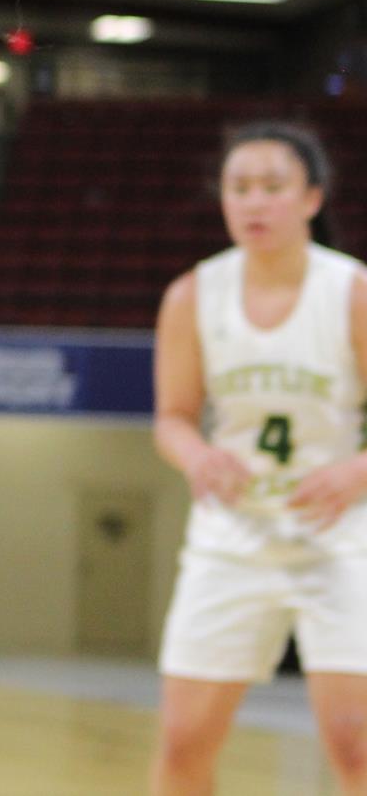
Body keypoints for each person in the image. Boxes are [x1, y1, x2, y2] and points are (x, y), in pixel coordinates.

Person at [151, 122, 367, 796]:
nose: (253, 202)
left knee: (354, 738)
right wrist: (196, 456)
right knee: (184, 740)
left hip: (338, 536)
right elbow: (173, 417)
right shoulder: (193, 294)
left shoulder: (353, 291)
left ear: (311, 198)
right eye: (238, 187)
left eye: (272, 186)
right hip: (232, 537)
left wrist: (356, 469)